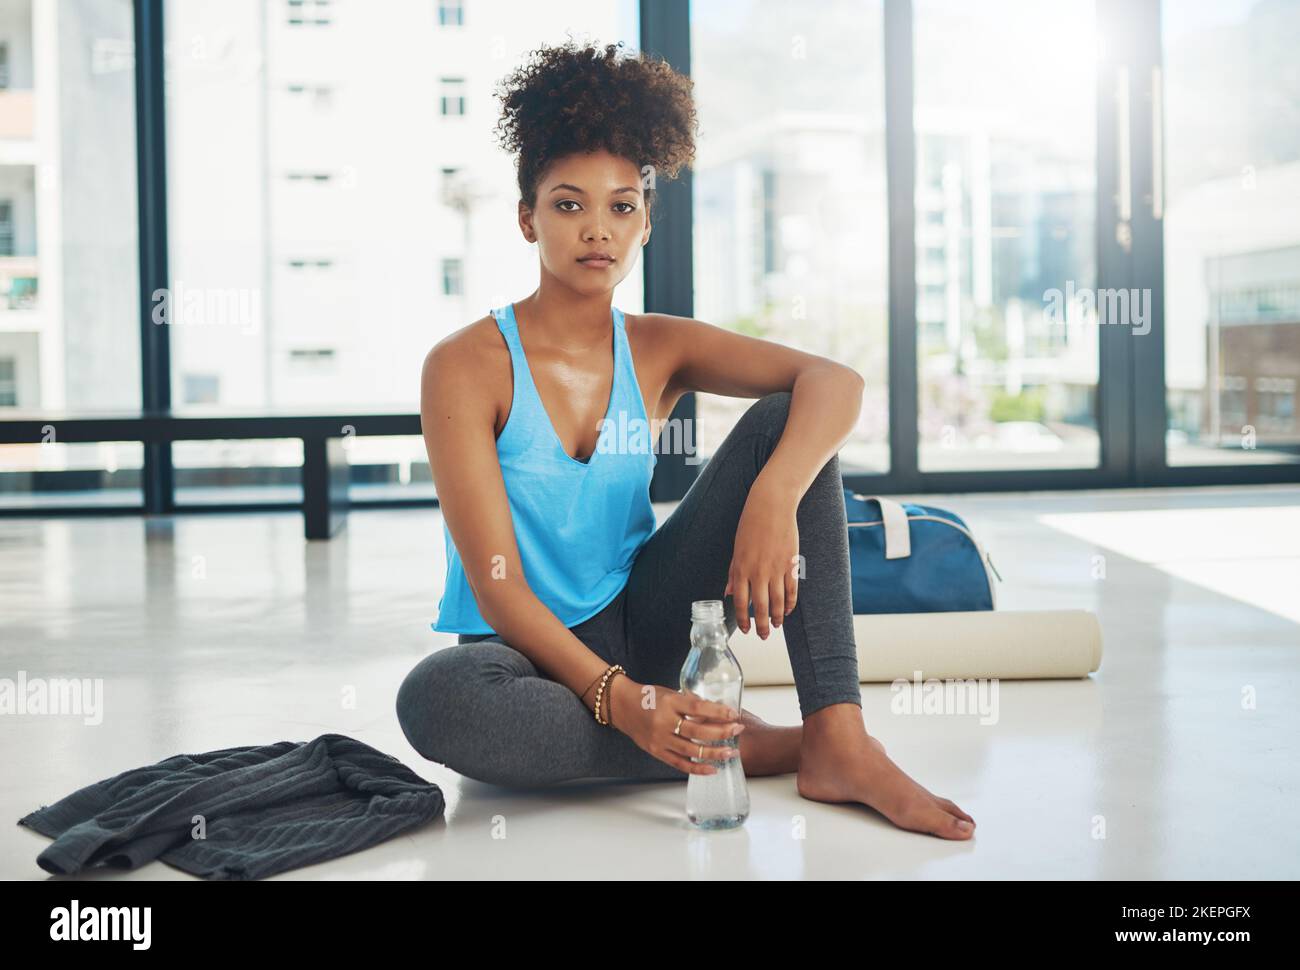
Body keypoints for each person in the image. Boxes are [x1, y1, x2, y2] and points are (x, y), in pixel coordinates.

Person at [396, 40, 975, 840]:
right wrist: (620, 702)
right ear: (527, 216)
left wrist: (774, 497)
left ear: (646, 224)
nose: (597, 229)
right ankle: (740, 742)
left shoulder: (659, 347)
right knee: (438, 702)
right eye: (569, 205)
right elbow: (497, 589)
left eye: (622, 206)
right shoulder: (464, 366)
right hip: (520, 653)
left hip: (648, 620)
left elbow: (835, 382)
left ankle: (837, 737)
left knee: (784, 423)